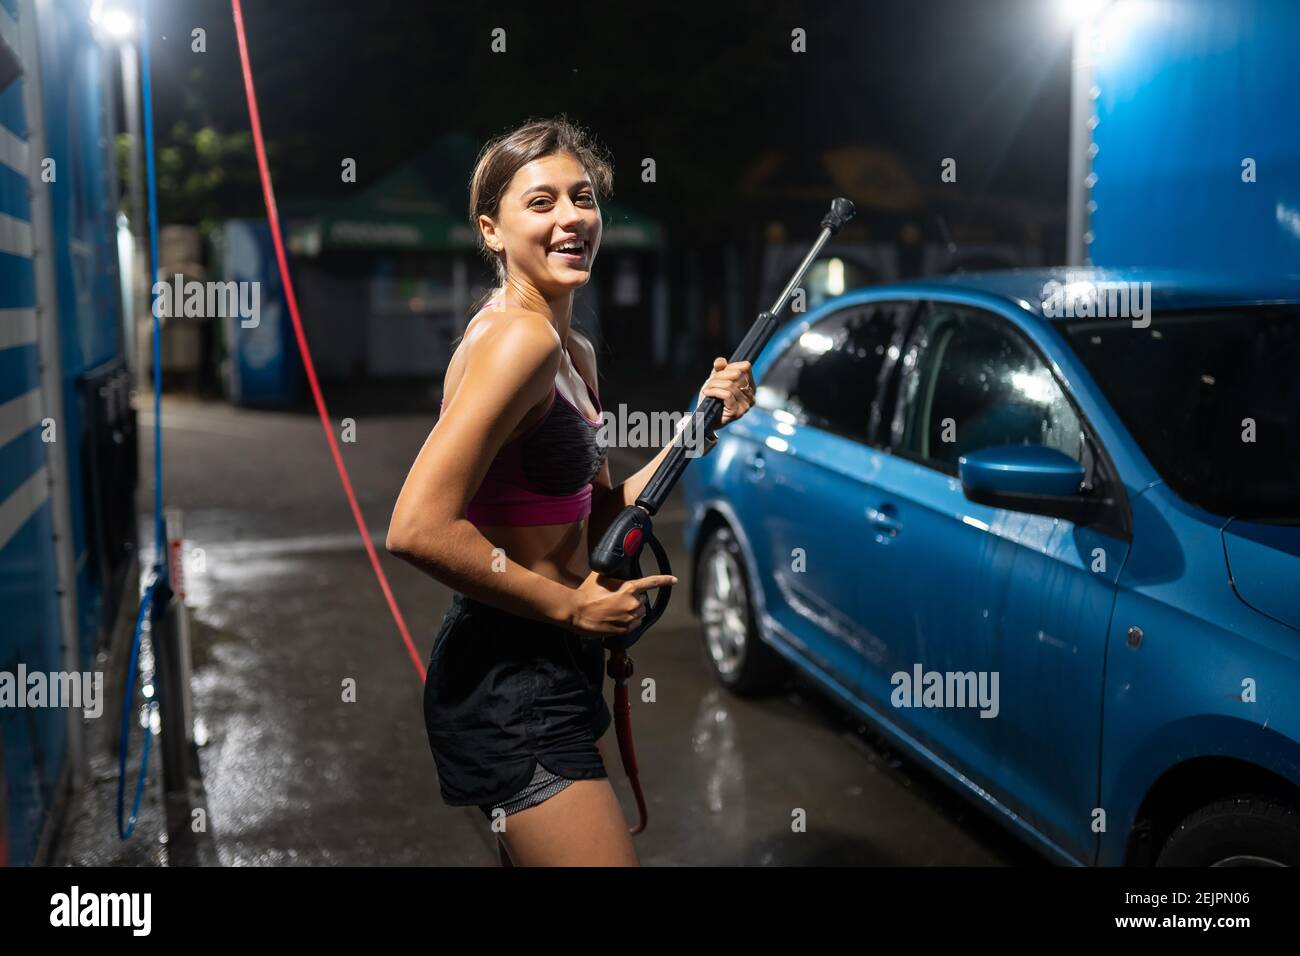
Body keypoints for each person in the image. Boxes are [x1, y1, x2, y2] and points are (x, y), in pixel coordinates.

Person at [385, 117, 755, 866]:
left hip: (556, 663)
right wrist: (571, 606)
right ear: (492, 229)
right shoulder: (519, 341)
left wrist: (698, 428)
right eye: (541, 201)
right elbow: (417, 527)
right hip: (512, 675)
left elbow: (597, 513)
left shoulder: (569, 347)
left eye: (582, 198)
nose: (571, 219)